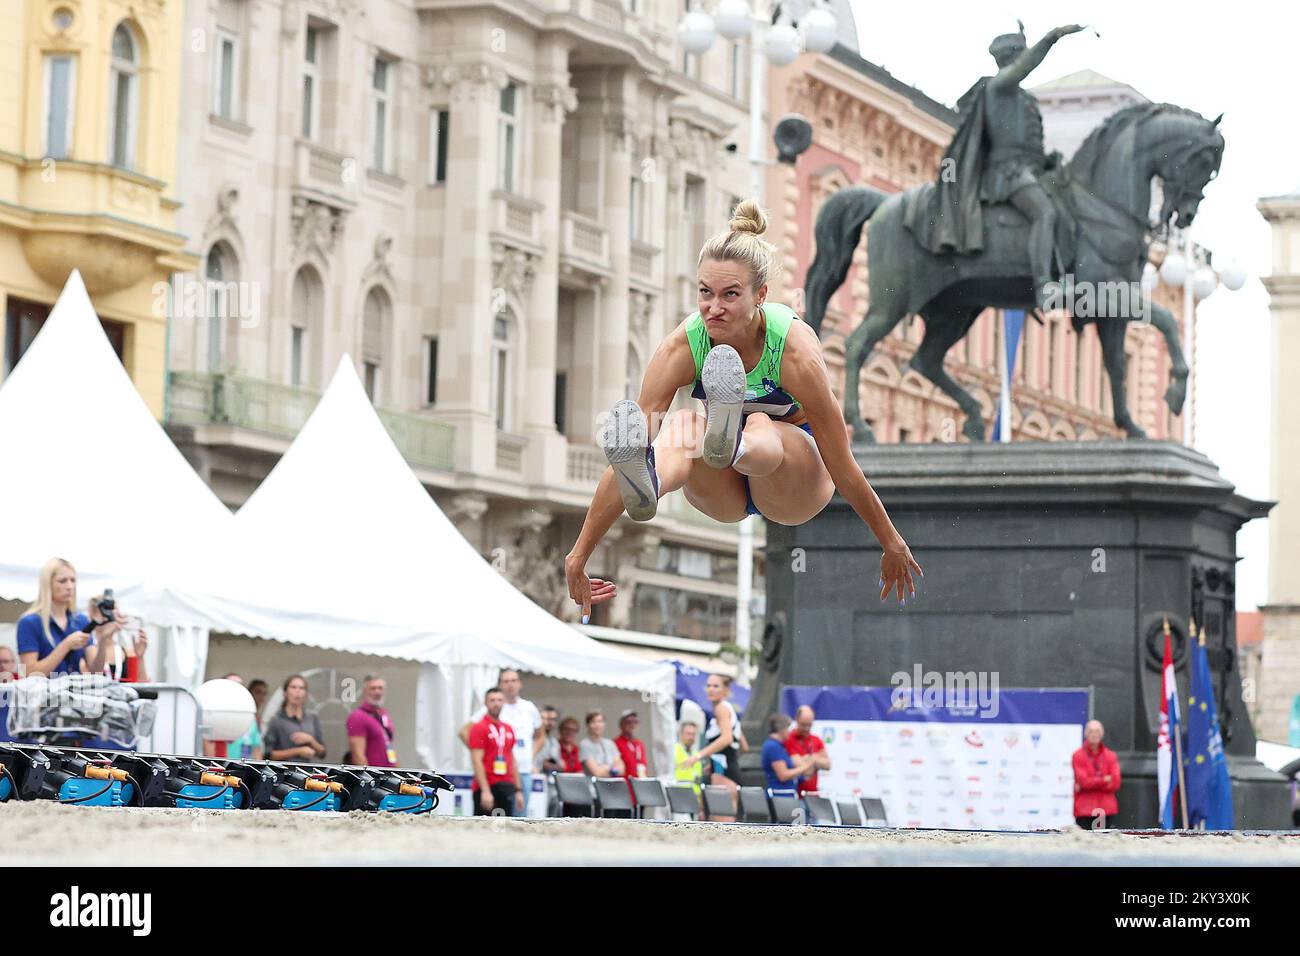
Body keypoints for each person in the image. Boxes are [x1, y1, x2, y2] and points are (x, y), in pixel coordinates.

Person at [564, 199, 921, 624]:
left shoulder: (794, 351)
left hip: (794, 484)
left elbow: (841, 461)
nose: (714, 307)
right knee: (679, 426)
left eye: (730, 295)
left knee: (760, 421)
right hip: (723, 492)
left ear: (761, 296)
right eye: (705, 293)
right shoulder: (683, 346)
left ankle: (731, 441)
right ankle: (653, 488)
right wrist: (579, 553)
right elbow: (628, 452)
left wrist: (890, 540)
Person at [16, 558, 126, 677]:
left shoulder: (80, 620)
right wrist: (66, 646)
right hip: (43, 694)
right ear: (48, 584)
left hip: (74, 693)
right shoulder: (29, 622)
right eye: (62, 581)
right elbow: (29, 674)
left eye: (73, 580)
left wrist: (103, 639)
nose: (70, 586)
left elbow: (96, 672)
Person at [459, 669, 543, 813]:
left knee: (519, 814)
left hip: (522, 768)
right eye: (506, 681)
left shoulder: (528, 707)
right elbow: (463, 732)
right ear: (500, 684)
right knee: (496, 816)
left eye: (513, 681)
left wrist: (531, 756)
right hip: (495, 772)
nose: (510, 685)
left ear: (520, 683)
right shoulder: (491, 708)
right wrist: (482, 753)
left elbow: (541, 735)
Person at [468, 687, 524, 816]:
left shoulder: (508, 728)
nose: (496, 703)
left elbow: (512, 759)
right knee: (485, 829)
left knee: (503, 828)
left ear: (504, 702)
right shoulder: (479, 727)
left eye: (499, 700)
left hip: (507, 785)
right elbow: (476, 761)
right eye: (492, 700)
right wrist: (485, 790)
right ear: (486, 703)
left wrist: (518, 789)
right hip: (488, 785)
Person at [263, 674, 327, 762]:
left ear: (306, 693)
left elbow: (322, 753)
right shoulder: (276, 720)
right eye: (293, 687)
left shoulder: (312, 718)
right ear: (285, 692)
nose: (297, 691)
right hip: (284, 772)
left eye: (301, 688)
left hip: (307, 772)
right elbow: (268, 754)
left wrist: (311, 740)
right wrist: (297, 751)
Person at [1073, 719, 1121, 829]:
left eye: (1097, 731)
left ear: (1102, 734)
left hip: (1106, 809)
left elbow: (1115, 783)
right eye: (1091, 731)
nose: (1094, 734)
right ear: (1085, 734)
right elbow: (1084, 782)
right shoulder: (1078, 755)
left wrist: (1091, 782)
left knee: (1106, 843)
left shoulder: (1111, 756)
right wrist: (1104, 780)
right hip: (1084, 810)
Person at [91, 594, 150, 683]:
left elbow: (145, 690)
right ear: (92, 616)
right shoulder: (87, 649)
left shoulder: (127, 652)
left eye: (113, 609)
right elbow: (93, 678)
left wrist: (140, 657)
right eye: (105, 610)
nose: (109, 615)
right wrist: (103, 638)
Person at [346, 674, 398, 767]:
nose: (377, 692)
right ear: (365, 691)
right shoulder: (358, 716)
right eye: (373, 688)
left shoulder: (383, 714)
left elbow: (389, 746)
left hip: (389, 774)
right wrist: (369, 779)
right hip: (374, 777)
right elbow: (358, 755)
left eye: (380, 688)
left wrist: (398, 772)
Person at [762, 713, 814, 796]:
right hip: (779, 797)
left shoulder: (780, 746)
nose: (789, 732)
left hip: (788, 796)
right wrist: (804, 767)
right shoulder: (773, 746)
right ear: (781, 729)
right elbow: (783, 775)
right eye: (787, 728)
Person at [785, 705, 831, 797]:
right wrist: (816, 759)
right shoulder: (788, 739)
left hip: (813, 795)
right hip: (796, 796)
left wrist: (810, 759)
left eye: (809, 724)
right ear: (797, 719)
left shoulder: (816, 740)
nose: (806, 728)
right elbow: (804, 769)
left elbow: (828, 764)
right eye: (803, 724)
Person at [215, 673, 263, 760]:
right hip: (223, 769)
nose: (236, 689)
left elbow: (256, 748)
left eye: (240, 686)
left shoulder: (250, 716)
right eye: (232, 685)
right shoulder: (215, 715)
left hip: (246, 769)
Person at [579, 711, 624, 778]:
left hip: (611, 785)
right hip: (594, 786)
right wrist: (612, 768)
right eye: (593, 722)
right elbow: (597, 772)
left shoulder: (610, 743)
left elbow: (622, 770)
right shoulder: (585, 744)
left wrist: (604, 768)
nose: (597, 725)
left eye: (600, 721)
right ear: (588, 725)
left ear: (604, 724)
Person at [673, 722, 706, 795]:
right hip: (679, 794)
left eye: (693, 734)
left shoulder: (696, 754)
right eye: (688, 734)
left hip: (695, 796)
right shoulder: (674, 750)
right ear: (681, 734)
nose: (691, 737)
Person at [536, 706, 561, 775]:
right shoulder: (530, 739)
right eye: (547, 719)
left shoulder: (554, 743)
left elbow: (557, 766)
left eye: (553, 719)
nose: (550, 723)